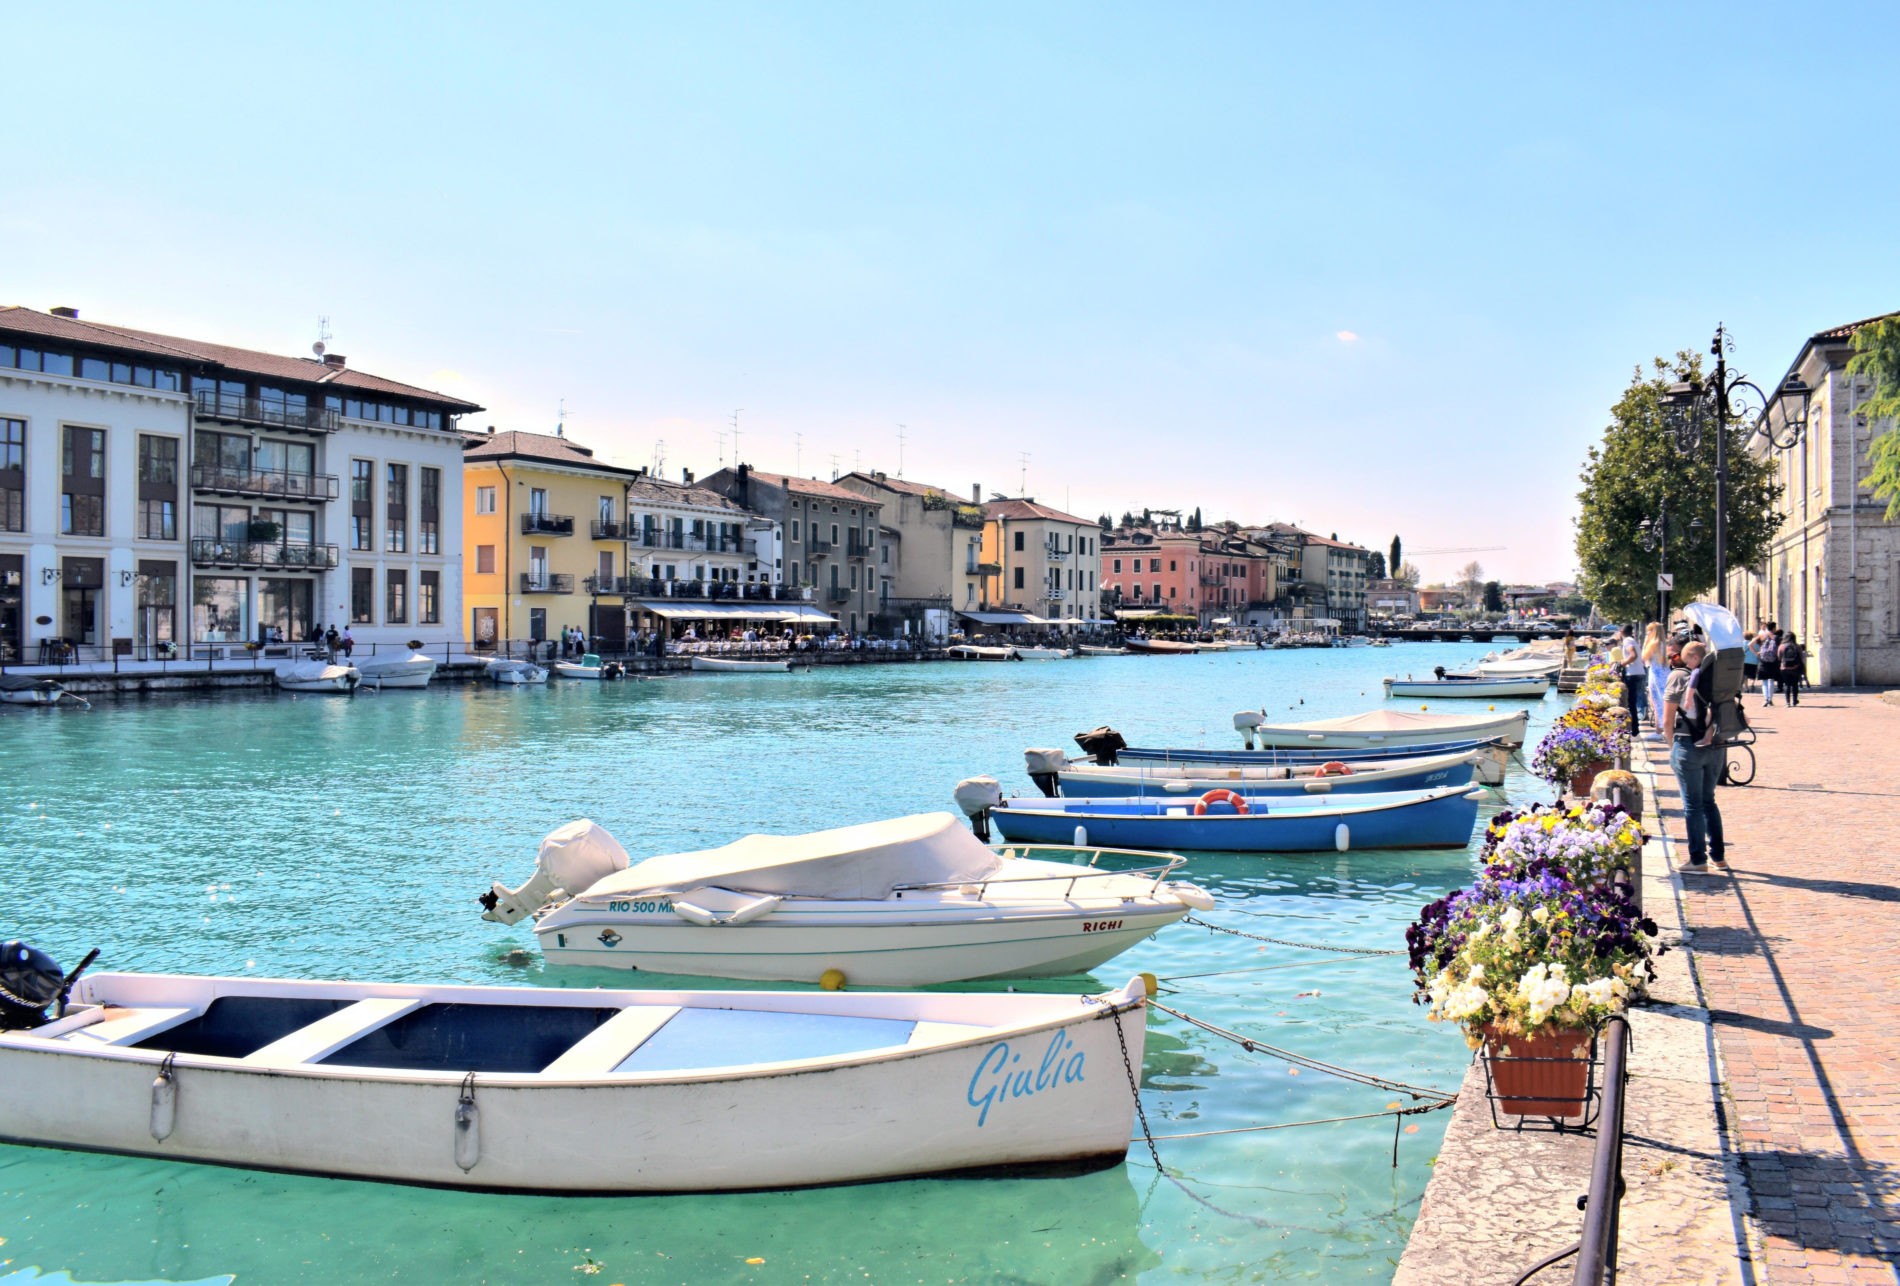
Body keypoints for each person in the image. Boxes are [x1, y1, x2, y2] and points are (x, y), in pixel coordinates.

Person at [1662, 639, 1725, 868]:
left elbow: (1668, 718)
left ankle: (1698, 860)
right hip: (1715, 746)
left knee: (1692, 805)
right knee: (1709, 801)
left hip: (1688, 743)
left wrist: (1671, 745)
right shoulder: (1714, 677)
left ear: (1686, 656)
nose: (1672, 660)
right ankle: (1718, 857)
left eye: (1674, 656)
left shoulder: (1678, 677)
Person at [1620, 627, 1648, 727]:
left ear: (1622, 632)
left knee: (1632, 700)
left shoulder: (1627, 641)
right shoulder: (1633, 640)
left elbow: (1633, 655)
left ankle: (1636, 723)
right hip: (1640, 672)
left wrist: (1623, 663)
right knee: (1640, 695)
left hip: (1632, 673)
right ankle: (1642, 715)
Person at [1641, 622, 1666, 730]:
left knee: (1656, 700)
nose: (1647, 633)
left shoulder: (1654, 643)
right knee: (1661, 700)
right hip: (1663, 671)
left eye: (1649, 631)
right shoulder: (1662, 643)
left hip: (1656, 673)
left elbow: (1643, 657)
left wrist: (1645, 642)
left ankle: (1660, 728)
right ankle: (1660, 728)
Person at [1777, 631, 1805, 707]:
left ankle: (1787, 702)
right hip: (1795, 667)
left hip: (1784, 668)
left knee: (1787, 684)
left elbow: (1779, 657)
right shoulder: (1797, 646)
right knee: (1795, 684)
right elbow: (1801, 657)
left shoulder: (1781, 646)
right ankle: (1795, 701)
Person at [1756, 627, 1779, 706]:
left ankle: (1766, 699)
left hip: (1763, 662)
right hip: (1773, 662)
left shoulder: (1762, 639)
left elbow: (1750, 644)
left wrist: (1757, 653)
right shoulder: (1775, 639)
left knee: (1764, 681)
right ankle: (1770, 699)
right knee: (1771, 680)